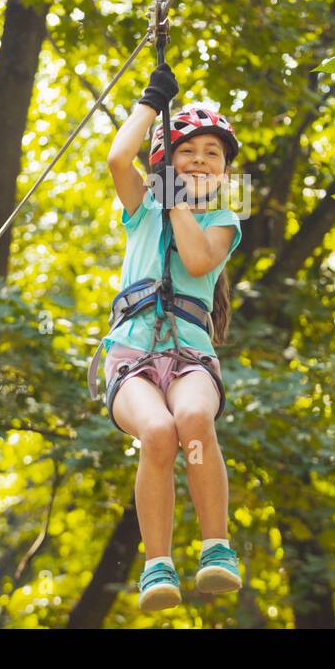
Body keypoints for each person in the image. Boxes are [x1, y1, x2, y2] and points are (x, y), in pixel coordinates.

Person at [100, 64, 245, 612]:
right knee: (158, 432)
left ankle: (216, 548)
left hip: (190, 357)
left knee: (192, 420)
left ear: (224, 170)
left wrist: (176, 197)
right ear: (165, 159)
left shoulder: (224, 220)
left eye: (212, 154)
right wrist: (149, 100)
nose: (201, 161)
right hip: (133, 355)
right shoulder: (139, 213)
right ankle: (157, 563)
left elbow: (195, 258)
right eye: (188, 152)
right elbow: (118, 158)